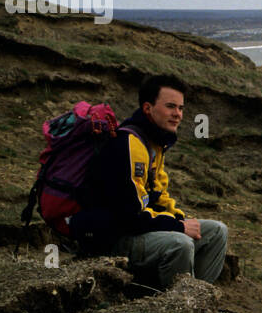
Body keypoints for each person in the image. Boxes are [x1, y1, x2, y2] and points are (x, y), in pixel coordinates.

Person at [70, 74, 227, 288]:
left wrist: (180, 218)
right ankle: (173, 308)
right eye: (171, 106)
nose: (178, 114)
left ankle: (195, 297)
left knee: (217, 231)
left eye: (181, 108)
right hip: (110, 237)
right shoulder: (129, 144)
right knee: (180, 244)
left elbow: (158, 196)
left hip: (135, 229)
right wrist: (178, 226)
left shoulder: (154, 143)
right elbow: (130, 215)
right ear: (147, 108)